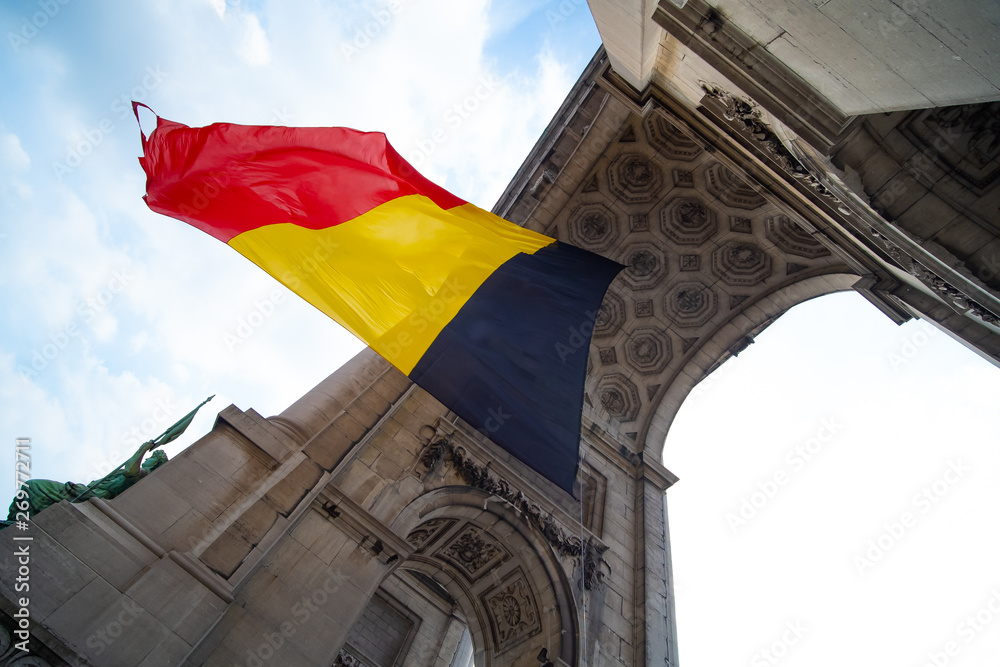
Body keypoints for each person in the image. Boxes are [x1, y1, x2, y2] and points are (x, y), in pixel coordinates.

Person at [4, 440, 168, 524]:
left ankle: (18, 523)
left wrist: (142, 449)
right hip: (86, 491)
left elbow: (129, 470)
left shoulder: (145, 473)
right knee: (32, 488)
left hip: (92, 497)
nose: (148, 459)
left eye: (151, 458)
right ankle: (17, 523)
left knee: (33, 487)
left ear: (155, 463)